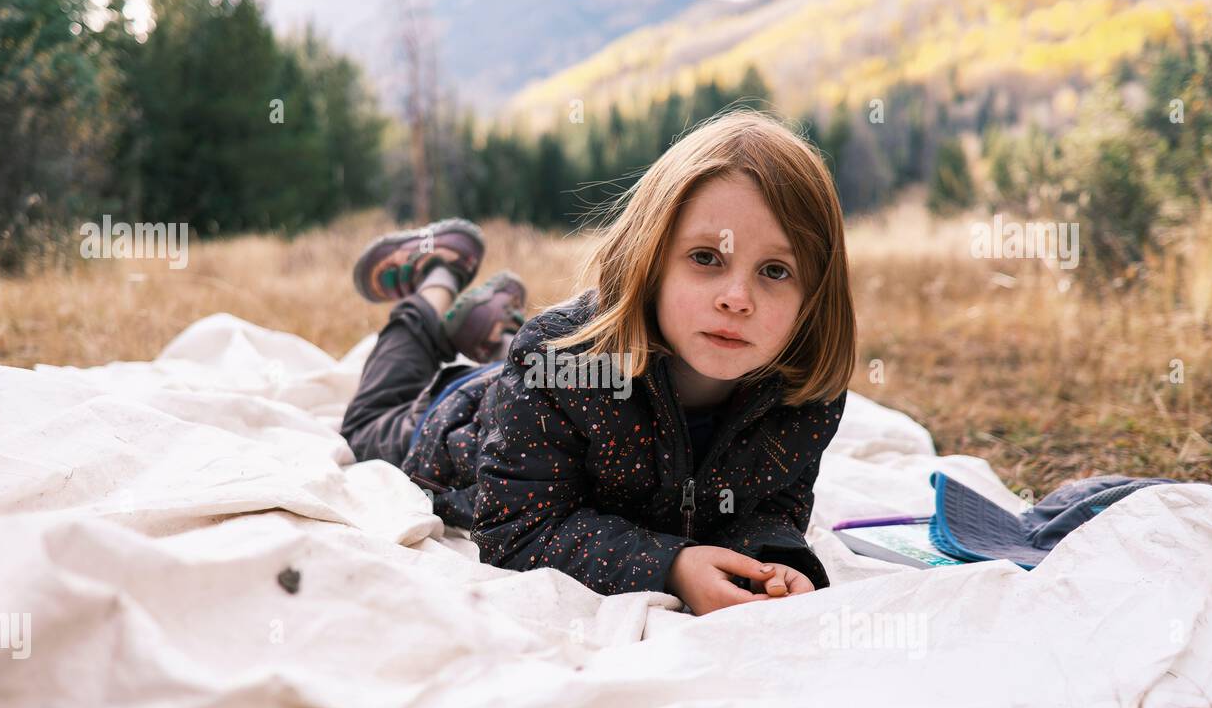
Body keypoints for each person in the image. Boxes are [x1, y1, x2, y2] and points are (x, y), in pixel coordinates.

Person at [341, 108, 856, 616]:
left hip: (526, 376)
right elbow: (517, 530)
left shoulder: (803, 397)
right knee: (363, 427)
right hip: (462, 420)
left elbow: (767, 509)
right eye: (706, 258)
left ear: (814, 294)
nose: (737, 298)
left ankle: (490, 327)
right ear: (648, 259)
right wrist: (671, 565)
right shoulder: (558, 358)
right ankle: (437, 280)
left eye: (775, 269)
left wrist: (773, 562)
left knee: (519, 360)